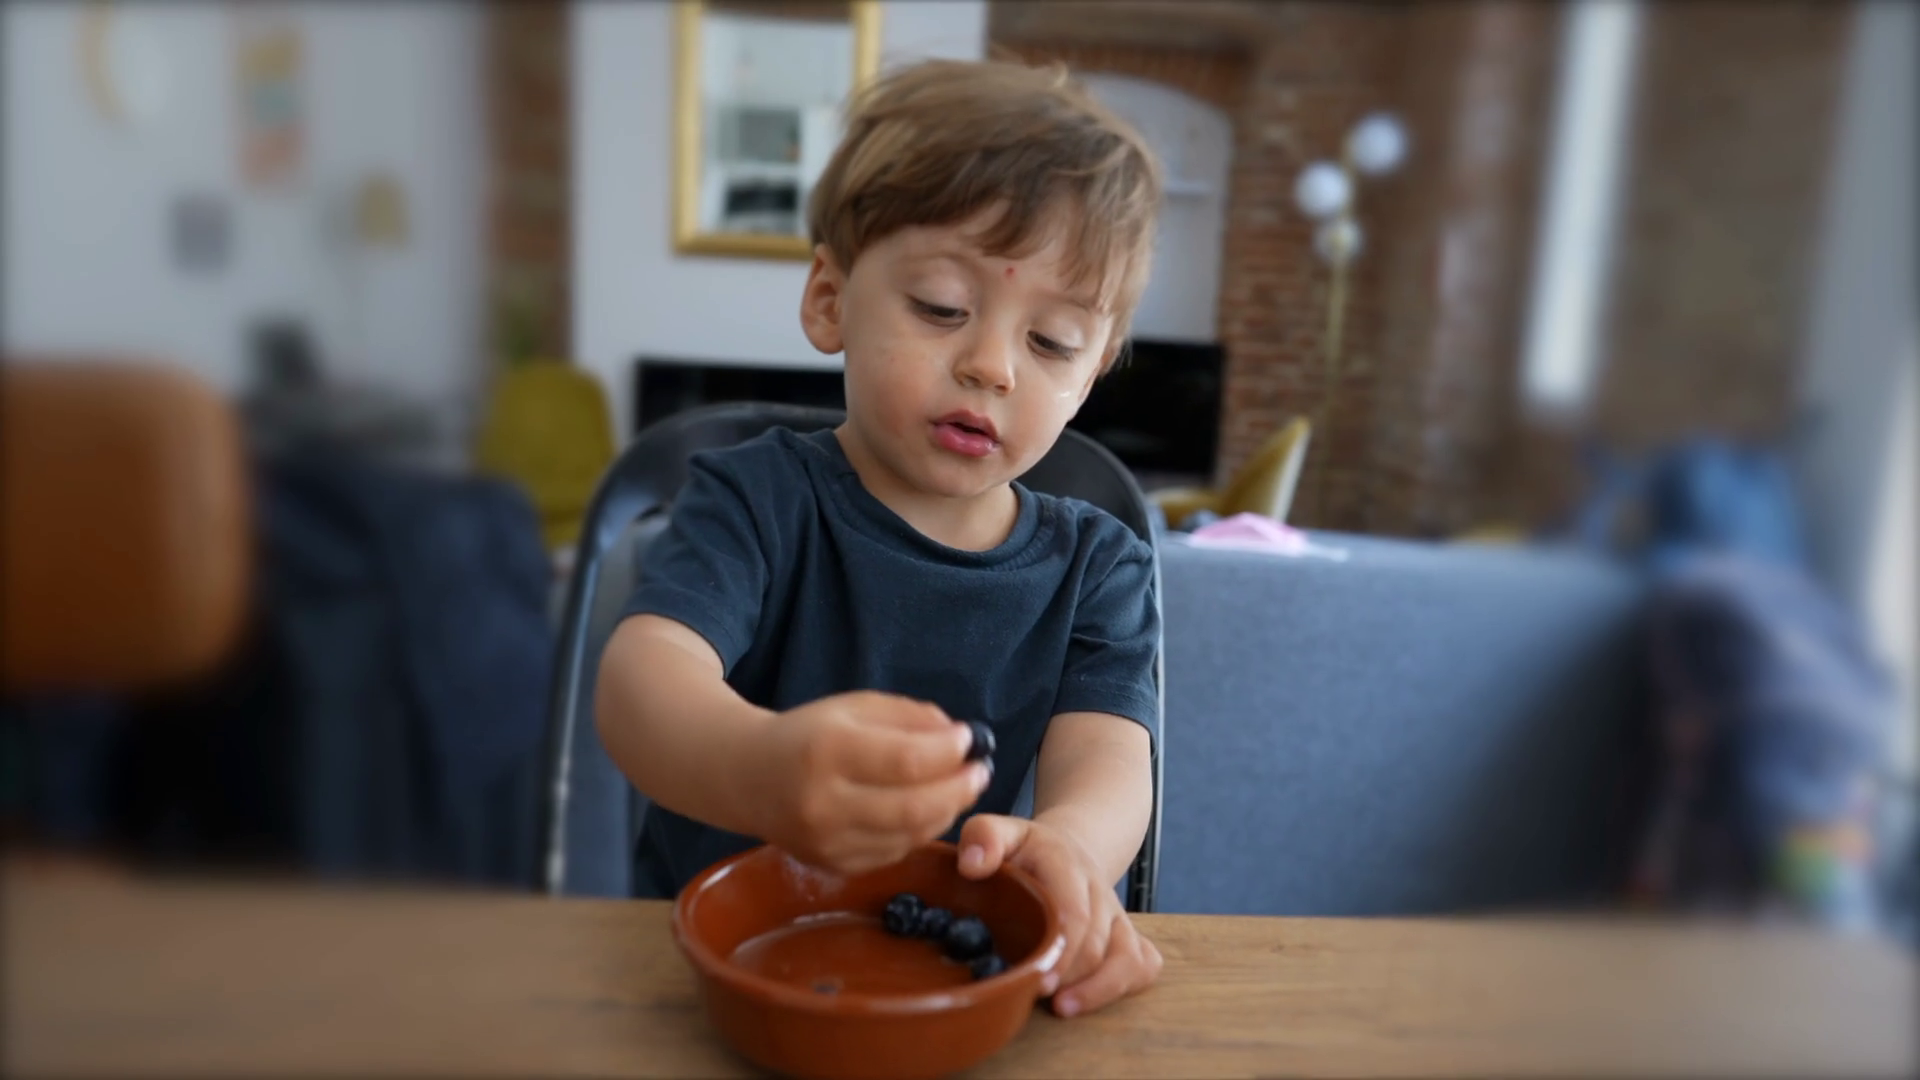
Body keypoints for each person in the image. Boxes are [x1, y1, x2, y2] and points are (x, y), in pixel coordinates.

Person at [595, 58, 1164, 1018]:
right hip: (709, 977)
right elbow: (640, 682)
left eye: (1052, 343)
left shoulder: (1098, 568)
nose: (991, 366)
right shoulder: (755, 500)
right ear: (830, 299)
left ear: (1093, 372)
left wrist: (1071, 848)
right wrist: (758, 769)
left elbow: (1110, 757)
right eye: (941, 307)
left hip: (946, 983)